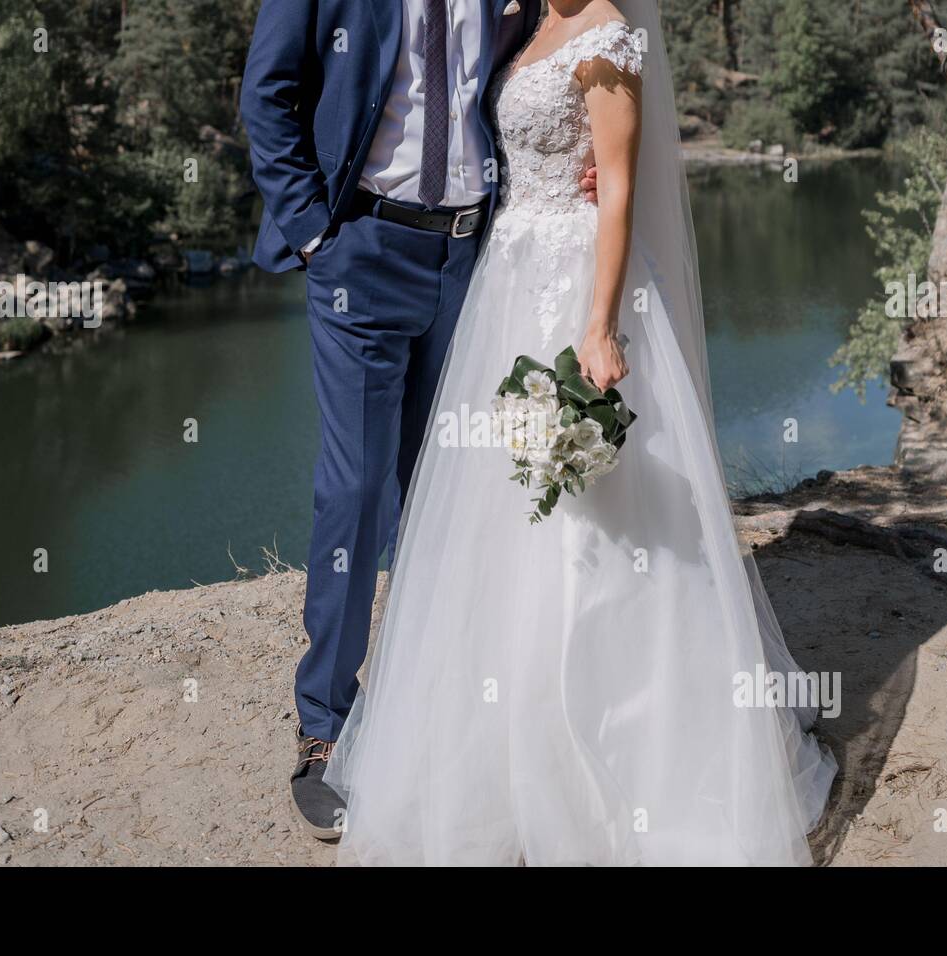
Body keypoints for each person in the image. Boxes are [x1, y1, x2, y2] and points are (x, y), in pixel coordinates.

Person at [324, 0, 836, 865]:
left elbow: (622, 187)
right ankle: (501, 751)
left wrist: (598, 329)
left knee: (600, 514)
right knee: (500, 509)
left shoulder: (607, 34)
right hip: (506, 279)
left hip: (577, 290)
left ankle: (625, 753)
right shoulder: (525, 26)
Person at [239, 0, 605, 837]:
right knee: (358, 491)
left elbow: (542, 63)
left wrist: (582, 160)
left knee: (457, 488)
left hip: (476, 256)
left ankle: (443, 700)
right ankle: (324, 726)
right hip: (358, 251)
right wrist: (310, 233)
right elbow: (267, 94)